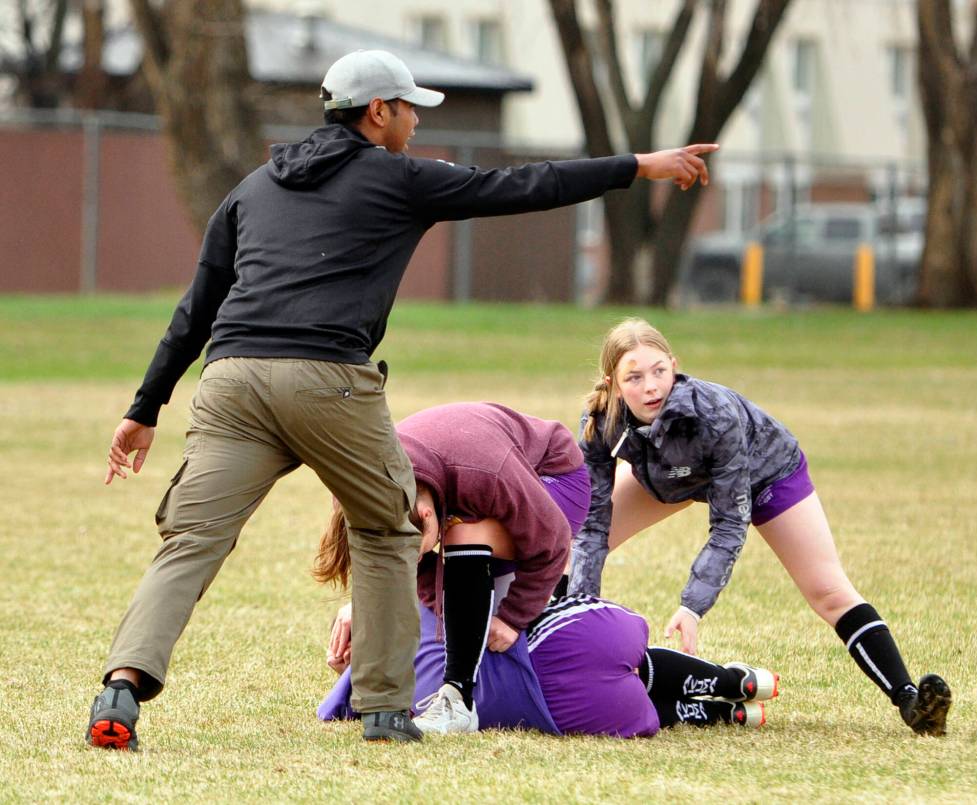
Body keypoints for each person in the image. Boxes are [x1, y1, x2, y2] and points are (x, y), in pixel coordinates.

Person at [89, 49, 720, 750]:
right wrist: (637, 166)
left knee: (192, 541)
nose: (417, 120)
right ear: (377, 112)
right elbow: (522, 185)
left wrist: (145, 407)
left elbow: (198, 304)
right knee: (389, 528)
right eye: (410, 107)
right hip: (328, 376)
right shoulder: (398, 178)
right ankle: (387, 708)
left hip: (232, 379)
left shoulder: (254, 187)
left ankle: (121, 686)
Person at [568, 318, 952, 737]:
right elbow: (591, 525)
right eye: (635, 377)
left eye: (660, 371)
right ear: (613, 382)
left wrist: (693, 605)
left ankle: (911, 702)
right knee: (573, 541)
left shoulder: (714, 414)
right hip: (670, 474)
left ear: (674, 366)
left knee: (828, 591)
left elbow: (731, 523)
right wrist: (581, 614)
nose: (651, 386)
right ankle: (540, 651)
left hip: (764, 473)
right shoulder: (602, 420)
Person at [319, 517, 779, 737]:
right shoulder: (438, 580)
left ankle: (719, 713)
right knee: (623, 655)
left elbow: (332, 710)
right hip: (577, 641)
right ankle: (728, 681)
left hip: (576, 715)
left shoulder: (382, 684)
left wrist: (349, 668)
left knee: (622, 695)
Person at [315, 401, 591, 734]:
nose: (413, 562)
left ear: (429, 517)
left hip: (552, 476)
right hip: (464, 481)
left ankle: (459, 700)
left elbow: (555, 540)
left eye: (415, 554)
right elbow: (390, 559)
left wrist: (514, 616)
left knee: (464, 530)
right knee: (452, 551)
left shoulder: (485, 475)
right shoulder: (363, 488)